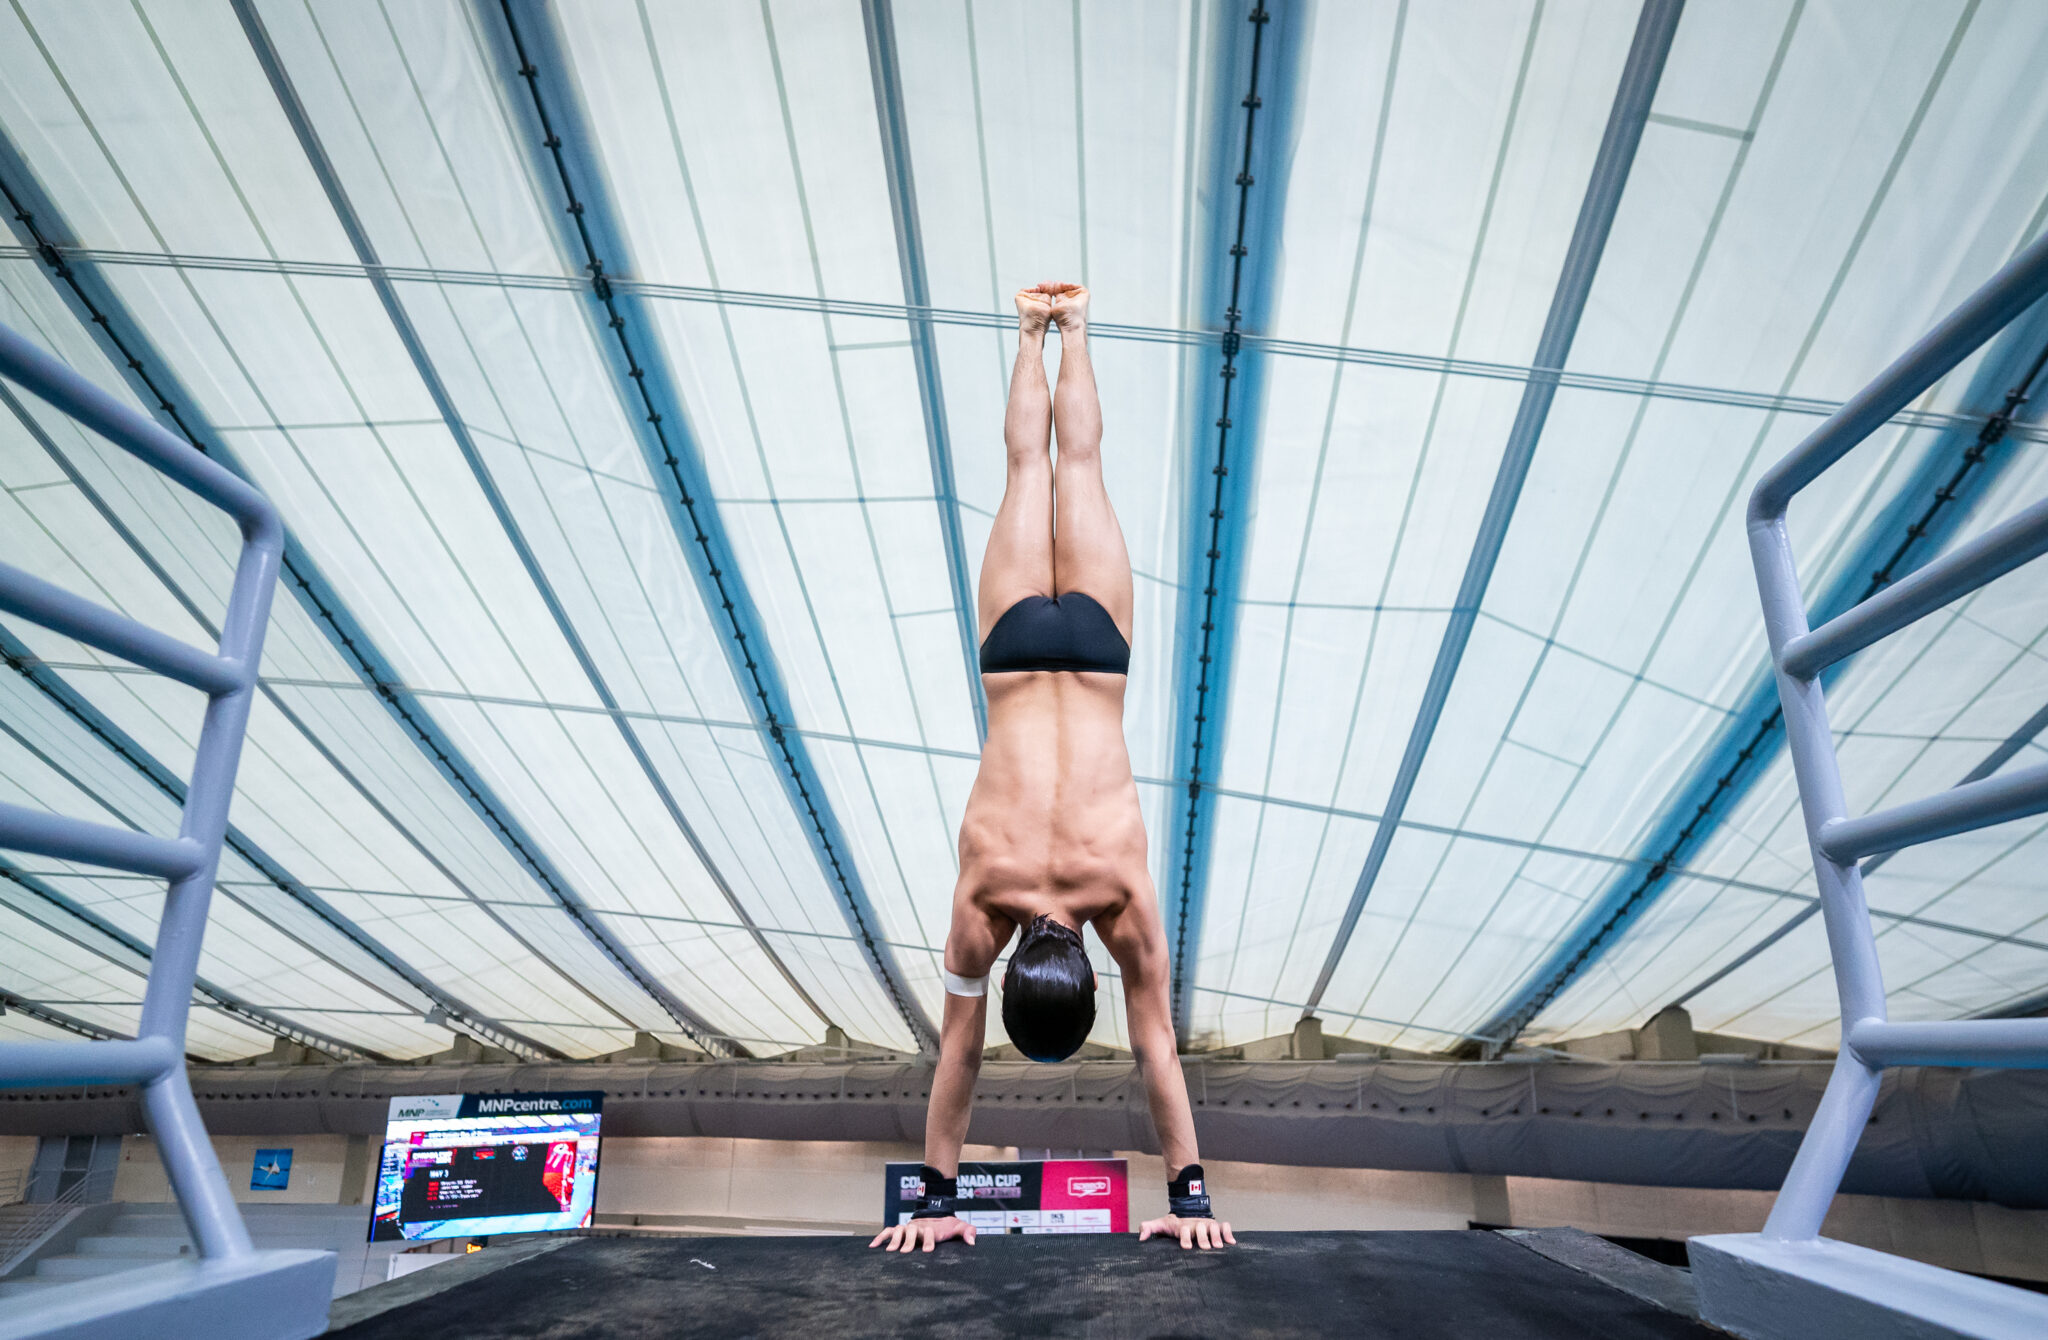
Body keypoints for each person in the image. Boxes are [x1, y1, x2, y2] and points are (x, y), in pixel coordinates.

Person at [869, 282, 1233, 1254]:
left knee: (1071, 462)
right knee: (1033, 463)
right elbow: (961, 1048)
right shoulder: (982, 898)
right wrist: (930, 1200)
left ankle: (1070, 325)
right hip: (1012, 654)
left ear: (1088, 971)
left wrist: (1192, 1197)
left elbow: (1156, 1046)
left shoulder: (1120, 894)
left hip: (1099, 651)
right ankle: (1036, 326)